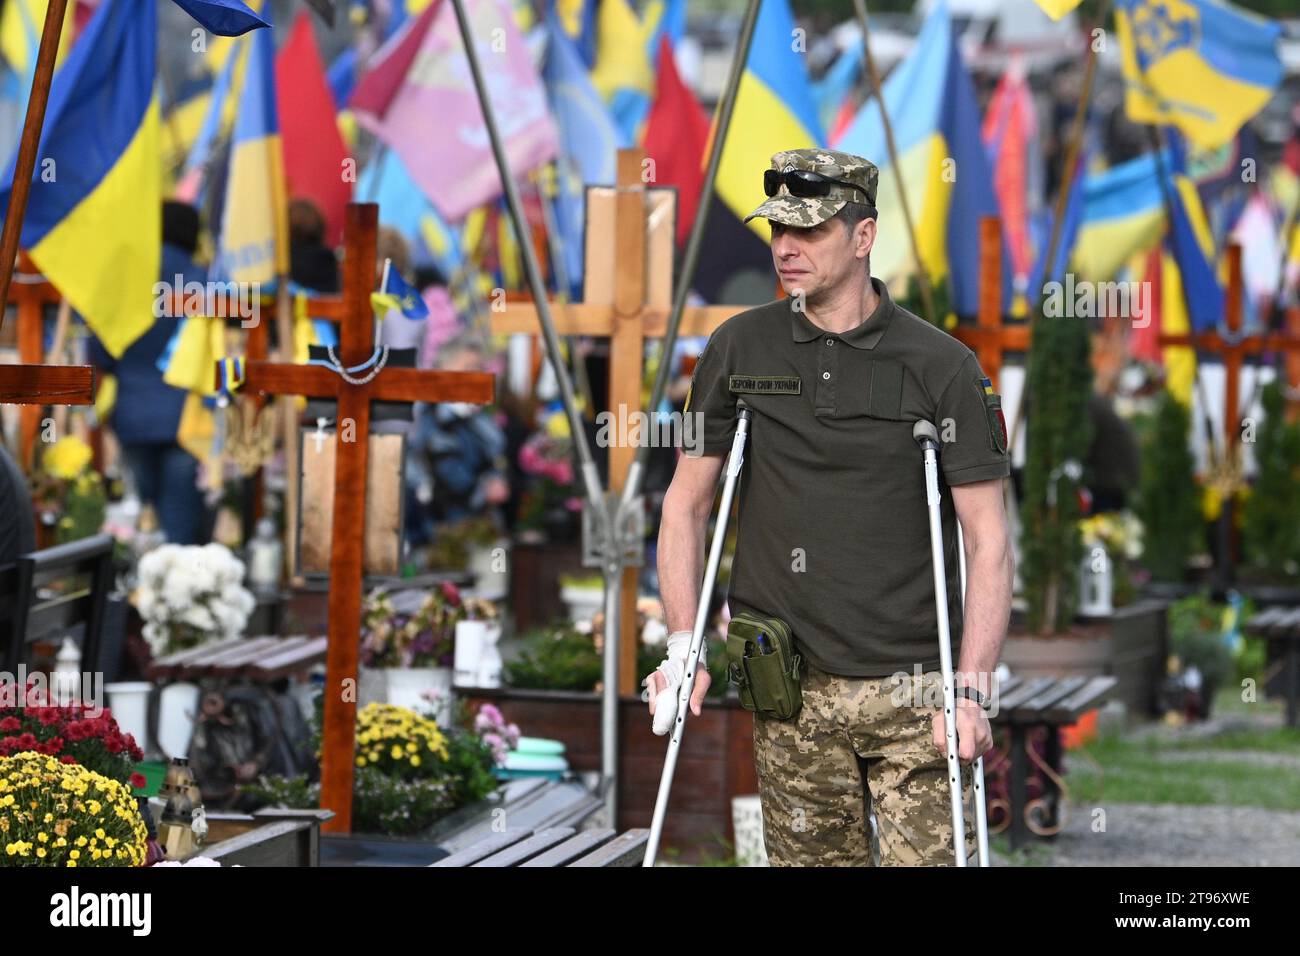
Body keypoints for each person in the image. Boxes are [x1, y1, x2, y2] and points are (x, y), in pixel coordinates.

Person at [645, 149, 1015, 866]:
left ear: (864, 237)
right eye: (779, 229)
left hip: (917, 687)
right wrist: (683, 646)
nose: (787, 247)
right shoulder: (734, 348)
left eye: (809, 230)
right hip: (789, 687)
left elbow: (989, 541)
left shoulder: (943, 368)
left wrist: (972, 691)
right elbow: (685, 505)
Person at [89, 201, 206, 544]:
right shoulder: (204, 278)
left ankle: (136, 590)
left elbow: (102, 351)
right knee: (180, 524)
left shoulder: (126, 280)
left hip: (132, 415)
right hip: (187, 418)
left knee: (137, 517)